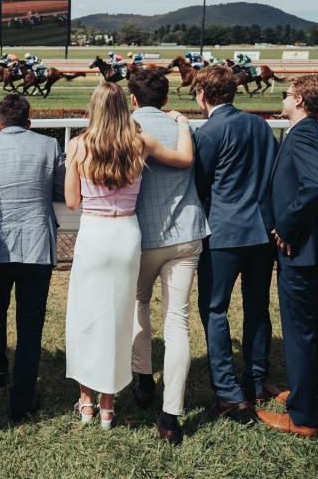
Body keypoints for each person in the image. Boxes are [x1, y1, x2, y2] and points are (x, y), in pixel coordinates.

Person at [64, 83, 193, 430]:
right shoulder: (140, 141)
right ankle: (109, 405)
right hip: (126, 234)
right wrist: (182, 122)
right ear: (126, 107)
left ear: (93, 108)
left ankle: (87, 401)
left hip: (94, 232)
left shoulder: (78, 144)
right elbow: (185, 160)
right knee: (120, 318)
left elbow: (72, 202)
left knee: (86, 317)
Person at [192, 66, 281, 419]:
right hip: (261, 231)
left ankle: (229, 391)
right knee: (257, 306)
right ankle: (257, 380)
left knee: (214, 309)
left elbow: (199, 184)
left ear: (202, 94)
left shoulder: (210, 130)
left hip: (224, 234)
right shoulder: (259, 124)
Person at [127, 70, 210, 444]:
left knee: (138, 304)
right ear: (164, 98)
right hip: (187, 231)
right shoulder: (181, 126)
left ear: (133, 99)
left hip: (143, 233)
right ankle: (171, 414)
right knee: (178, 321)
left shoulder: (127, 127)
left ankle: (143, 380)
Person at [0, 94, 65, 422]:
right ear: (29, 121)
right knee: (31, 322)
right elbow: (61, 191)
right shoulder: (49, 146)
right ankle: (23, 396)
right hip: (37, 243)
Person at [258, 75, 318, 438]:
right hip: (313, 247)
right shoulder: (317, 132)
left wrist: (286, 226)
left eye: (286, 94)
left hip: (301, 247)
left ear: (300, 100)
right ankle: (305, 393)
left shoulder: (306, 133)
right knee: (307, 325)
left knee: (299, 331)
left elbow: (317, 183)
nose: (283, 98)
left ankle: (303, 416)